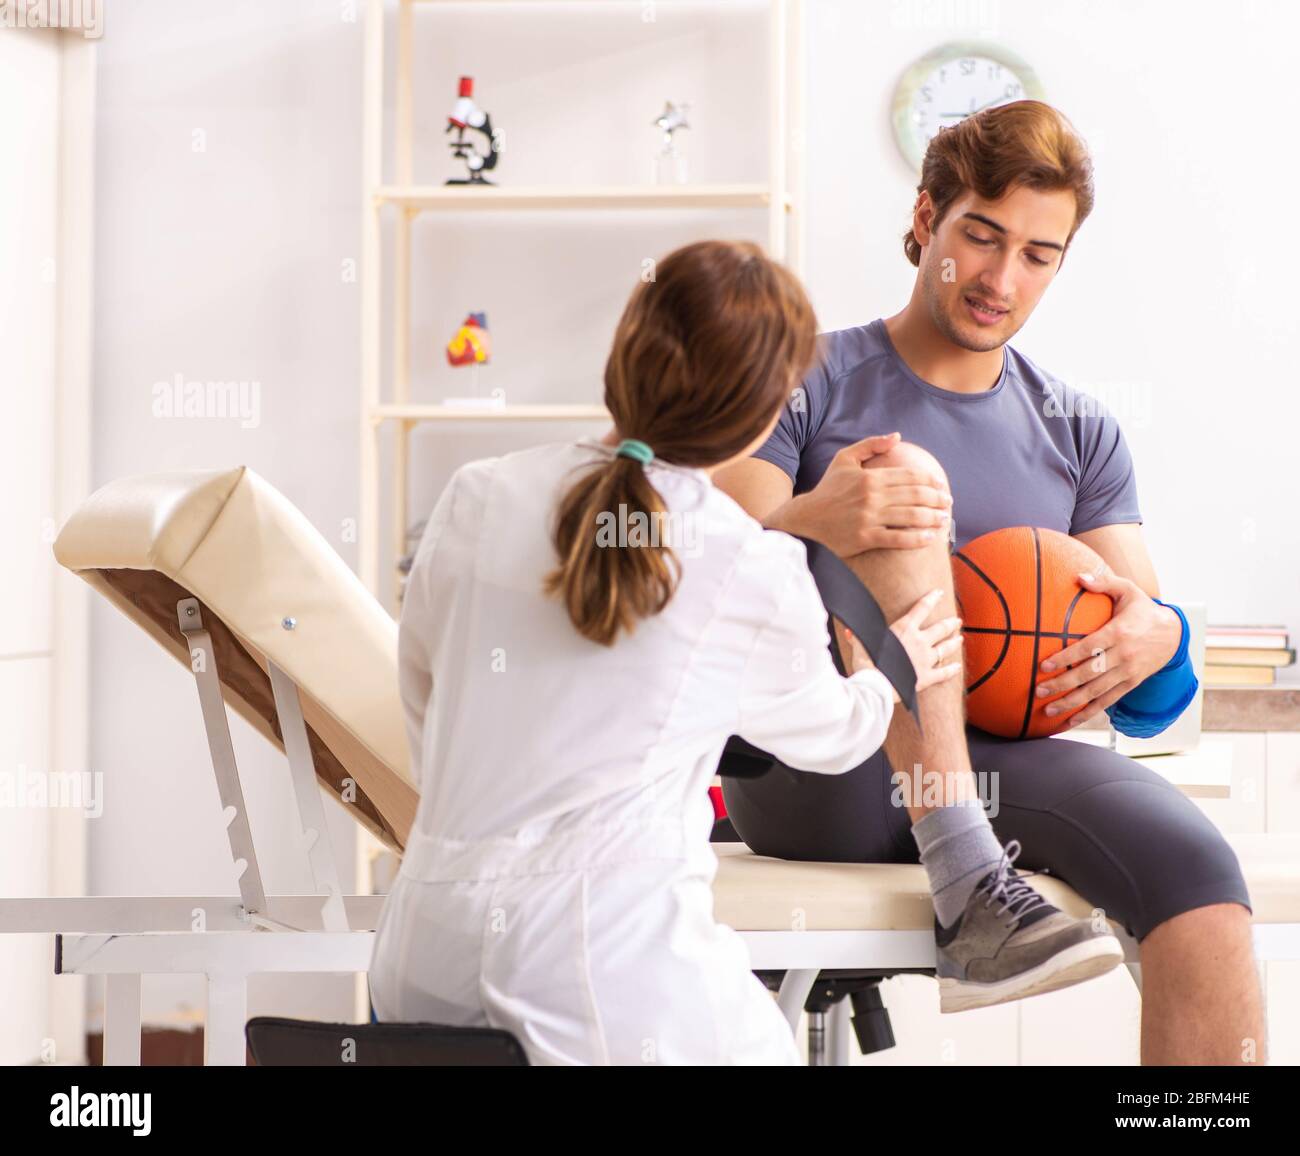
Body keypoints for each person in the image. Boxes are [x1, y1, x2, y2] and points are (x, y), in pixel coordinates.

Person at [367, 238, 1117, 1066]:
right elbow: (835, 737)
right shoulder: (738, 558)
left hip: (415, 960)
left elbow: (421, 696)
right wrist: (888, 657)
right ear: (766, 413)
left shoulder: (477, 493)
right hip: (598, 977)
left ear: (623, 358)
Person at [714, 101, 1264, 1064]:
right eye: (981, 235)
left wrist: (1162, 639)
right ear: (927, 219)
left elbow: (1148, 693)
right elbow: (701, 550)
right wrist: (820, 515)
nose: (1001, 279)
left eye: (1038, 255)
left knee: (1200, 876)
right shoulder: (804, 374)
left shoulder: (1078, 429)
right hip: (824, 760)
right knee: (900, 481)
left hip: (1001, 758)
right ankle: (968, 876)